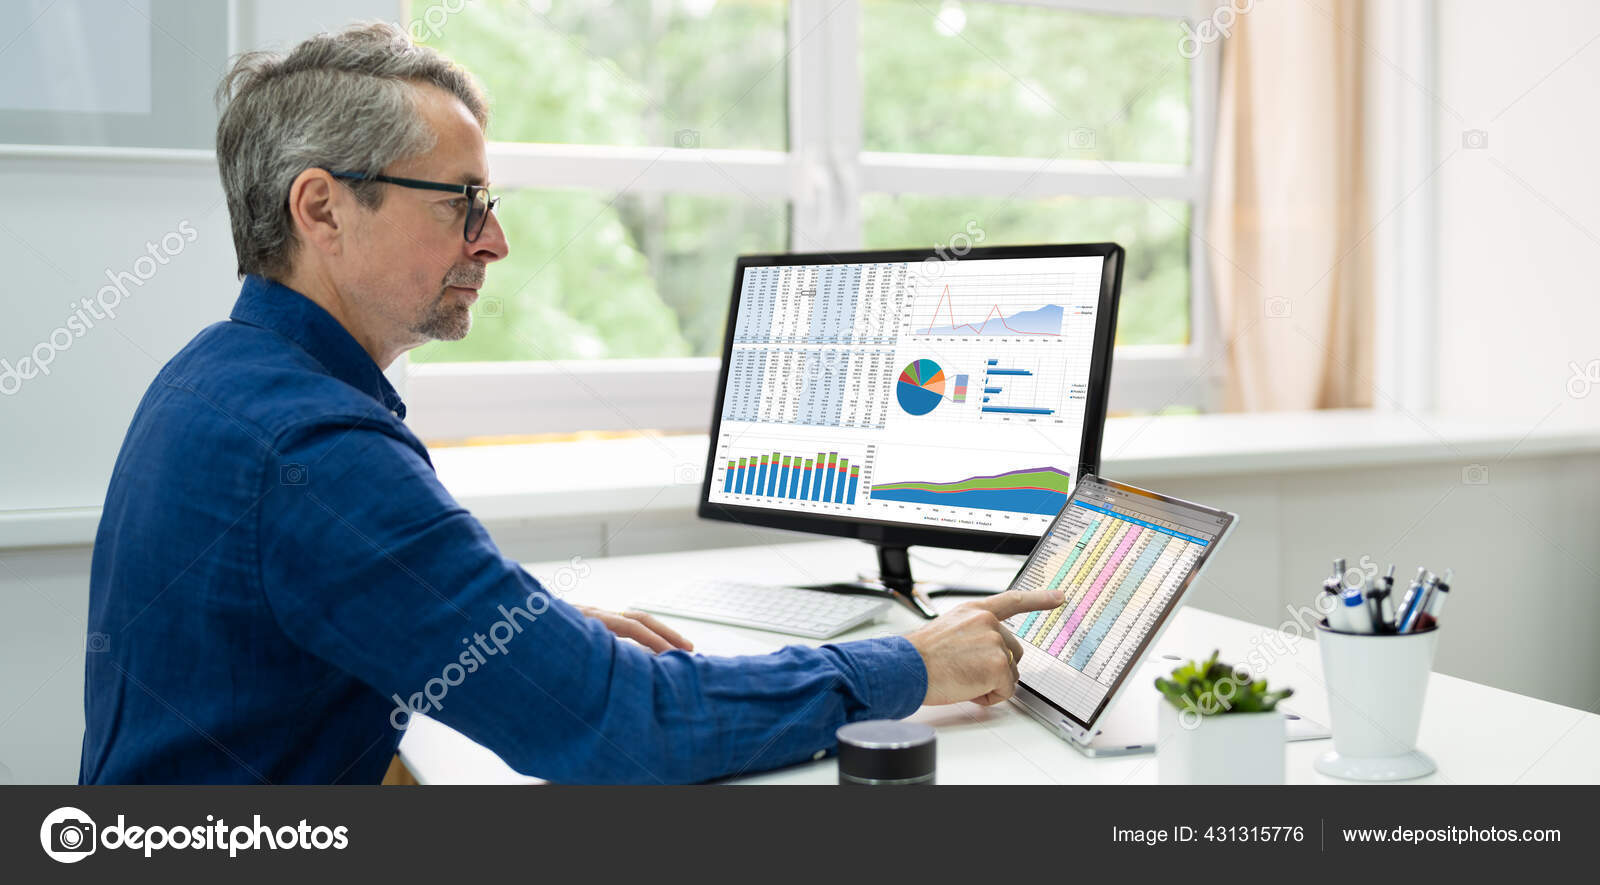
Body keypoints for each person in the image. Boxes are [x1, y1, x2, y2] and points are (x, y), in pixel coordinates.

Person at [79, 21, 1062, 785]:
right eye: (460, 202)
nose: (492, 243)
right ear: (323, 208)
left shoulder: (220, 376)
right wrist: (909, 666)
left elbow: (354, 599)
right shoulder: (313, 445)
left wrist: (526, 632)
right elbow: (621, 730)